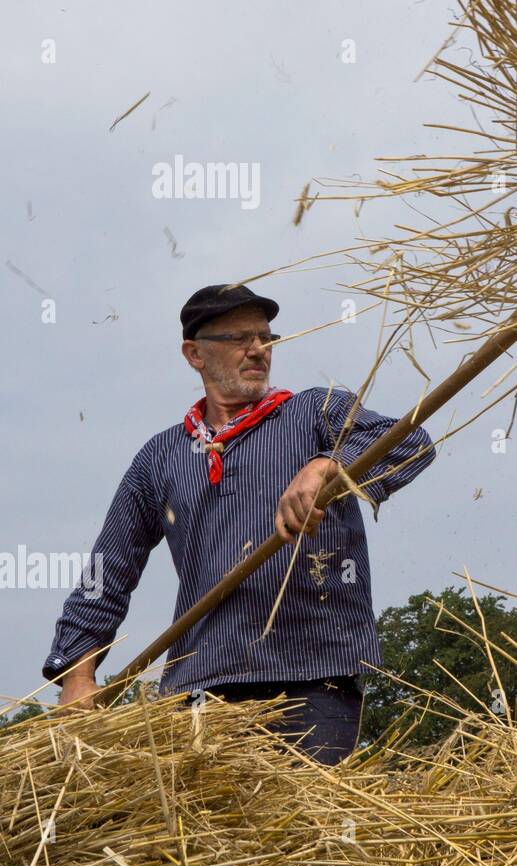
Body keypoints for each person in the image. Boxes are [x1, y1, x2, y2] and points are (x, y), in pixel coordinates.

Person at [43, 282, 435, 764]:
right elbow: (107, 572)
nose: (258, 350)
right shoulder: (160, 458)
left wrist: (327, 467)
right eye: (239, 339)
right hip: (202, 685)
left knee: (305, 830)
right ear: (195, 354)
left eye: (266, 338)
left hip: (314, 675)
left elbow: (409, 443)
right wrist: (78, 675)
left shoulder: (314, 412)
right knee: (204, 838)